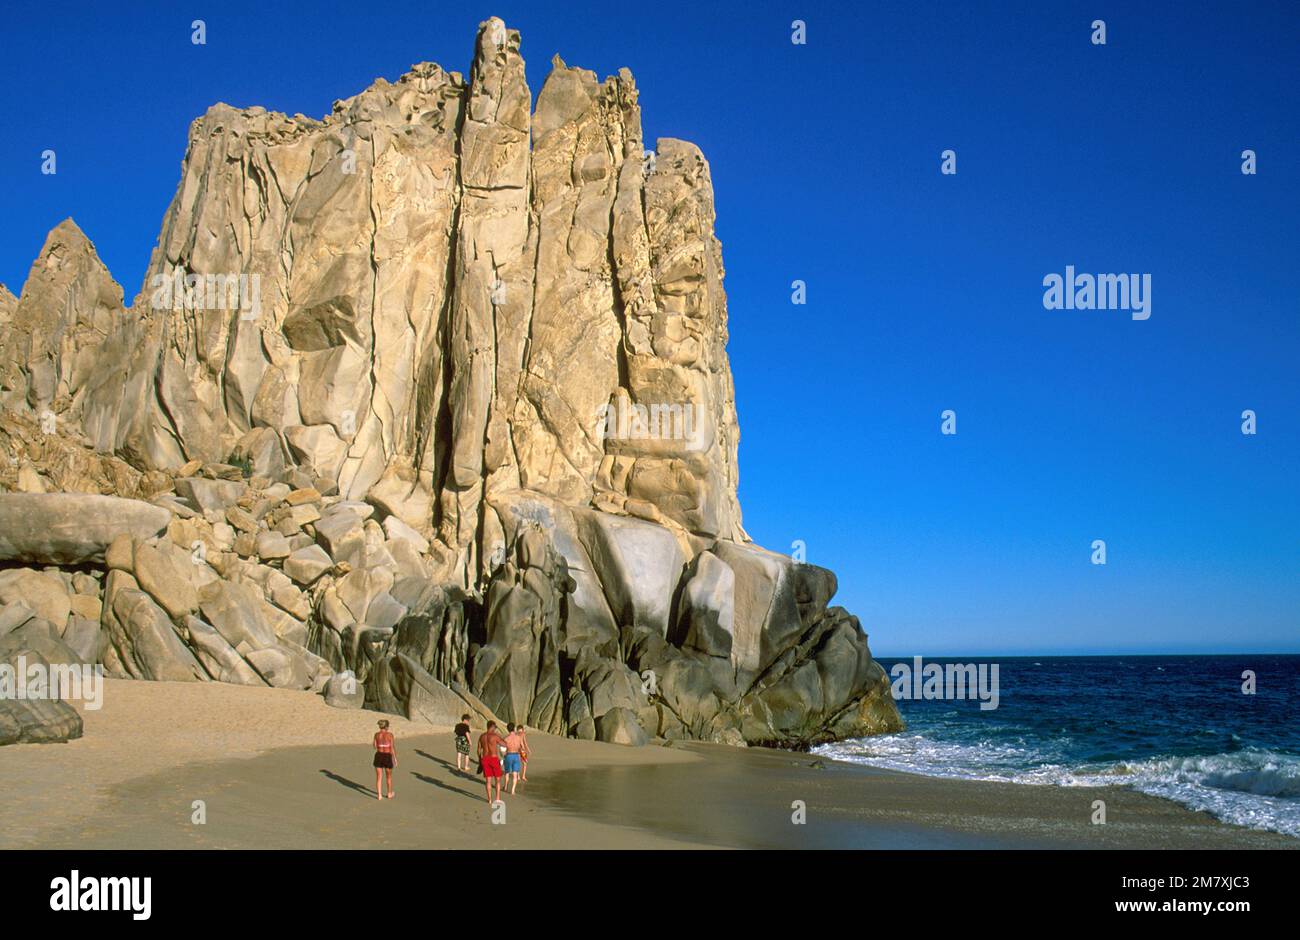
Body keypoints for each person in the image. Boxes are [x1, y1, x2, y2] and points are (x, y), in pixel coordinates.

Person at [477, 721, 505, 804]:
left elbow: (478, 750)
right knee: (497, 780)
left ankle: (489, 799)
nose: (495, 729)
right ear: (492, 727)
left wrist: (479, 760)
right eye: (495, 728)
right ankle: (497, 798)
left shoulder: (482, 736)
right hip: (493, 758)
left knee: (488, 781)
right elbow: (503, 744)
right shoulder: (495, 736)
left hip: (485, 758)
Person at [373, 719, 397, 800]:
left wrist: (381, 745)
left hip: (379, 755)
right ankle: (389, 793)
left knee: (379, 777)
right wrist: (394, 758)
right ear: (386, 727)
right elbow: (392, 747)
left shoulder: (376, 734)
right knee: (388, 777)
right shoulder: (390, 735)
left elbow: (374, 746)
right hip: (387, 756)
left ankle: (379, 795)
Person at [503, 723, 524, 794]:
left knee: (507, 772)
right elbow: (522, 747)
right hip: (516, 755)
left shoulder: (506, 738)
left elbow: (503, 749)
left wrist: (503, 756)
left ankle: (505, 787)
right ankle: (513, 790)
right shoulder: (518, 737)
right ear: (514, 728)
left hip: (508, 755)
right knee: (515, 773)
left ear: (507, 729)